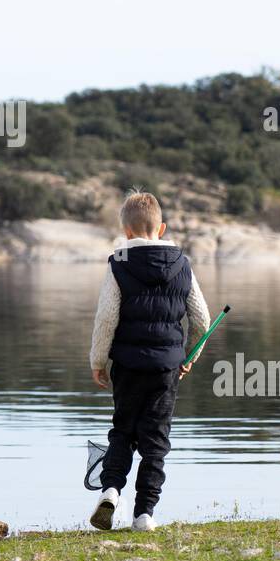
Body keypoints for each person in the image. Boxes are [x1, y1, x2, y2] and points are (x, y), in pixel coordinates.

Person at [88, 192, 210, 531]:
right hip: (167, 367)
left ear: (127, 232)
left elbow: (106, 318)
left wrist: (98, 360)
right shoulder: (182, 264)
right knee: (155, 442)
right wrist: (189, 357)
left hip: (127, 365)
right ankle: (144, 515)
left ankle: (111, 490)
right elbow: (202, 319)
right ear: (163, 227)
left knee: (123, 431)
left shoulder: (119, 261)